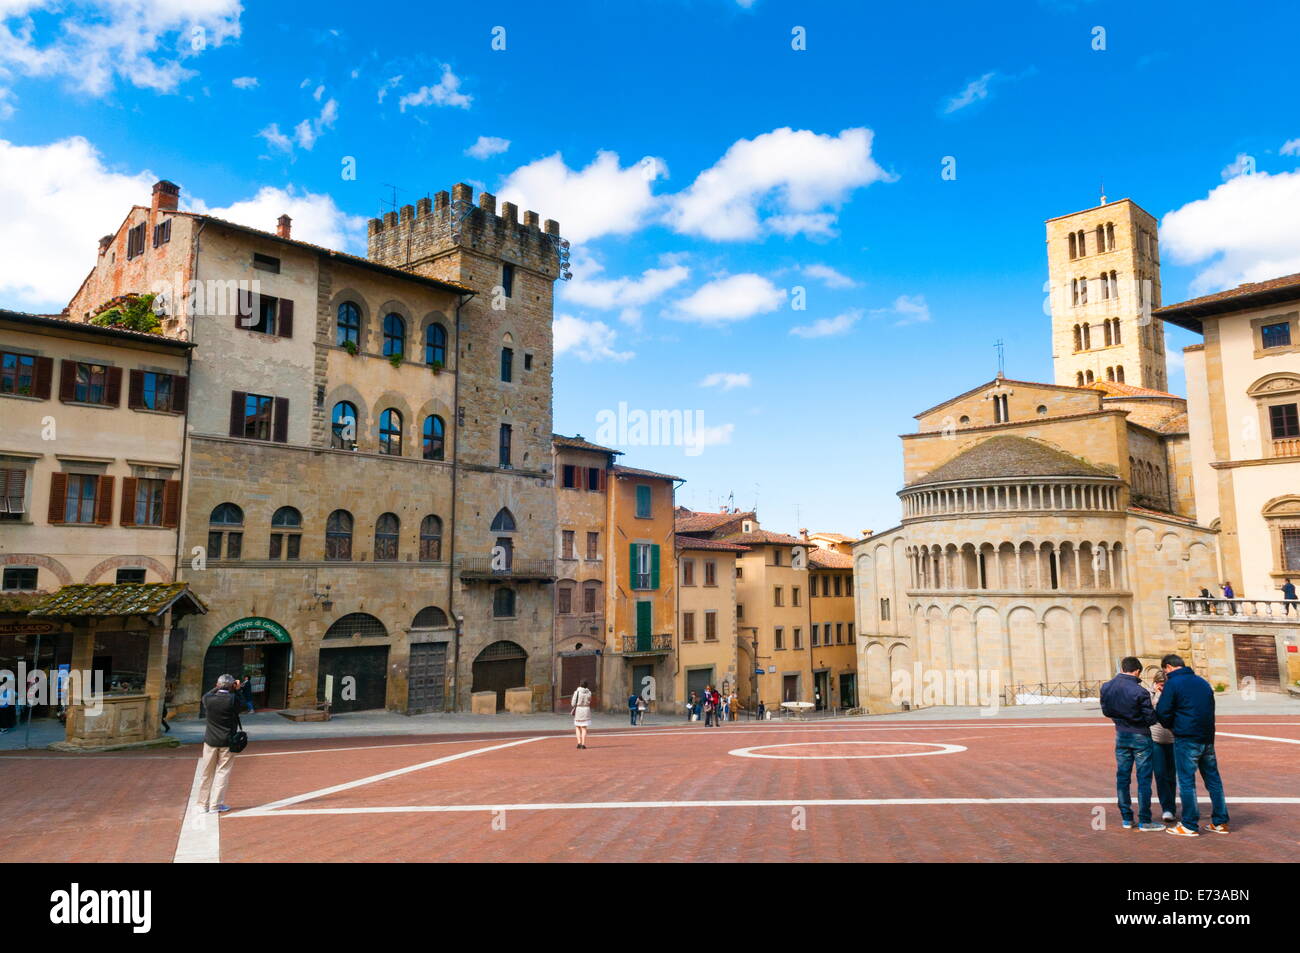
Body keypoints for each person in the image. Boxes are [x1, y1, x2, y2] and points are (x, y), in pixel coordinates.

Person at [1156, 653, 1229, 836]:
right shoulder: (1202, 682)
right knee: (1213, 780)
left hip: (1186, 737)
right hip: (1206, 737)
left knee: (1187, 781)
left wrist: (1172, 726)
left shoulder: (1173, 683)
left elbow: (1162, 711)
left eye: (1165, 671)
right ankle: (1220, 822)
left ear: (1168, 667)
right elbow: (1210, 708)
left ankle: (1189, 824)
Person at [1099, 657, 1164, 831]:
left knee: (1122, 777)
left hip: (1121, 734)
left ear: (1122, 668)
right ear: (1137, 671)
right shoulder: (1140, 691)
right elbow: (1151, 718)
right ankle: (1145, 820)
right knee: (1143, 779)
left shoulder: (1106, 687)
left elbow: (1106, 711)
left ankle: (1127, 818)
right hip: (1140, 735)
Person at [195, 674, 243, 814]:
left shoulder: (208, 699)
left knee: (206, 773)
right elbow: (243, 704)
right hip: (227, 741)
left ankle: (202, 804)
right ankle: (215, 805)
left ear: (217, 684)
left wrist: (218, 687)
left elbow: (206, 694)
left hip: (210, 741)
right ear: (232, 686)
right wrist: (238, 689)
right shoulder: (232, 700)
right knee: (223, 772)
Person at [1148, 672, 1177, 823]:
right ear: (1155, 683)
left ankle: (1171, 807)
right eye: (1160, 684)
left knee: (1171, 774)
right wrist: (1157, 695)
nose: (1163, 687)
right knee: (1160, 774)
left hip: (1173, 739)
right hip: (1156, 739)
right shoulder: (1149, 695)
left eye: (1165, 685)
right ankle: (1167, 807)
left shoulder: (1174, 694)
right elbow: (1149, 713)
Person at [571, 679, 592, 749]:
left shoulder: (577, 692)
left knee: (577, 727)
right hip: (586, 710)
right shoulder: (589, 693)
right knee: (584, 728)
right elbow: (590, 701)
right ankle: (583, 744)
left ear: (580, 685)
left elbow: (573, 703)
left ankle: (579, 743)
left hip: (579, 710)